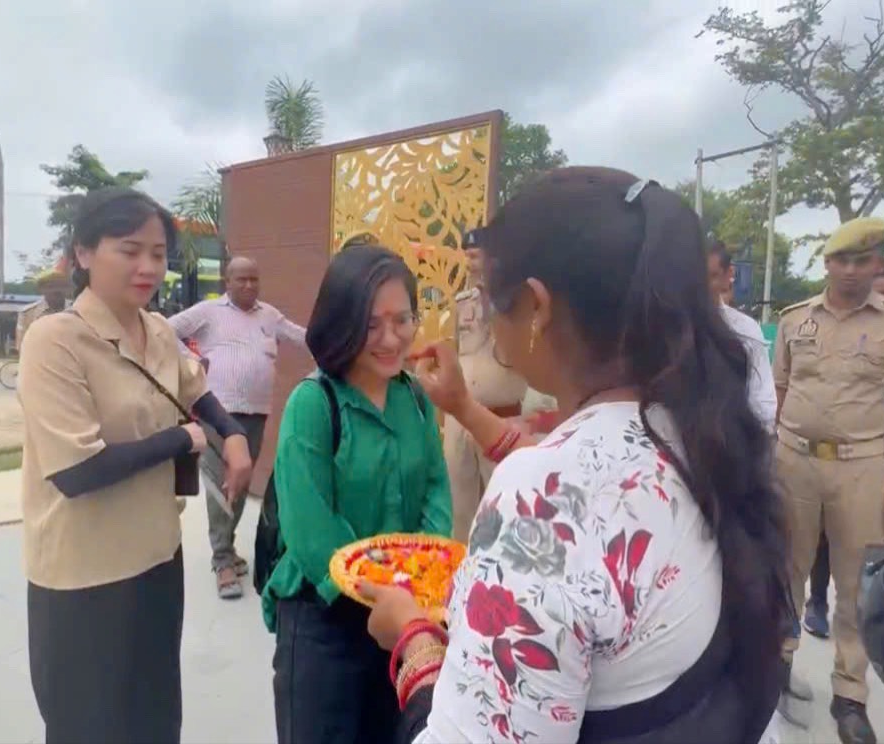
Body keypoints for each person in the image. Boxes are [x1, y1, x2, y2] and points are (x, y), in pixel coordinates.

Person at [359, 167, 789, 744]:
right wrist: (462, 405)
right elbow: (589, 484)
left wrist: (415, 640)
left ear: (536, 306)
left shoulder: (541, 498)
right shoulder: (701, 428)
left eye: (494, 299)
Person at [17, 187, 252, 744]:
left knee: (155, 717)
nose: (149, 266)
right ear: (83, 252)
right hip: (83, 577)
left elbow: (196, 392)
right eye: (130, 250)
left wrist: (233, 433)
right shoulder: (54, 341)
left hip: (157, 559)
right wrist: (181, 440)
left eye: (158, 253)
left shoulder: (159, 330)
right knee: (87, 727)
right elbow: (77, 472)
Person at [262, 244, 453, 744]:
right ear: (342, 323)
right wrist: (379, 589)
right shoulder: (314, 402)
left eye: (402, 320)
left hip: (402, 616)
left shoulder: (414, 397)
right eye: (371, 325)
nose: (391, 339)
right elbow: (310, 530)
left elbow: (435, 486)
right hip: (326, 617)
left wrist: (424, 572)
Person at [774, 216, 884, 744]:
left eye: (862, 260)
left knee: (855, 583)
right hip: (793, 460)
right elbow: (778, 391)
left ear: (877, 263)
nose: (850, 270)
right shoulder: (795, 320)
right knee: (786, 571)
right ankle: (777, 670)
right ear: (827, 264)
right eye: (841, 259)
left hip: (861, 466)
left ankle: (850, 695)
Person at [168, 256, 307, 599]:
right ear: (226, 281)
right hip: (218, 413)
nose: (248, 285)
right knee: (221, 483)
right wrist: (192, 360)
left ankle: (227, 547)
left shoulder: (269, 315)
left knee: (241, 482)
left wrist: (339, 335)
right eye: (241, 279)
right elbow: (165, 330)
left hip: (255, 414)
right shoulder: (209, 311)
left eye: (253, 279)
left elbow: (302, 337)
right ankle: (222, 561)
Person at [803, 259, 884, 641]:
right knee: (822, 534)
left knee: (869, 540)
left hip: (882, 444)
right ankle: (817, 602)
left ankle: (868, 620)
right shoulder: (833, 328)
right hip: (835, 449)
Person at [444, 229, 529, 541]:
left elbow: (513, 353)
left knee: (499, 498)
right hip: (460, 415)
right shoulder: (463, 303)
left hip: (499, 415)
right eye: (467, 256)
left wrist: (493, 302)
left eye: (476, 256)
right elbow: (460, 348)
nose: (470, 263)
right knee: (459, 501)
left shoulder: (512, 304)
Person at [707, 240, 777, 431]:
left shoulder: (745, 329)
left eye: (711, 276)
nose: (700, 285)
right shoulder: (666, 326)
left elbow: (762, 398)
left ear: (729, 275)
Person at [15, 269, 71, 351]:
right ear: (41, 289)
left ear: (68, 289)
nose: (57, 290)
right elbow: (21, 346)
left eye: (61, 286)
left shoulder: (79, 309)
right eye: (51, 287)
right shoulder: (28, 314)